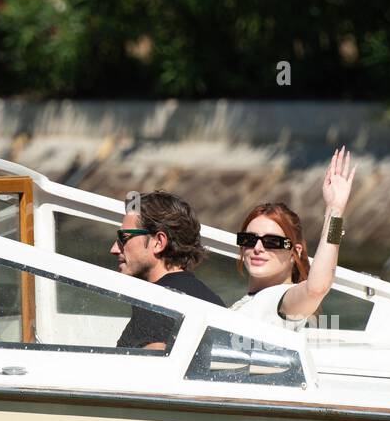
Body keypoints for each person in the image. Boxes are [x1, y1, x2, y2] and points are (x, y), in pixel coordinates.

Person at [230, 146, 356, 330]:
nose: (258, 247)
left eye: (272, 242)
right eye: (248, 239)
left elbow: (315, 289)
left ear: (294, 252)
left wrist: (335, 210)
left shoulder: (281, 299)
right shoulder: (255, 299)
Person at [111, 191, 224, 350]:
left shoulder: (158, 304)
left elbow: (148, 371)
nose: (114, 249)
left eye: (124, 238)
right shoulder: (206, 298)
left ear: (158, 242)